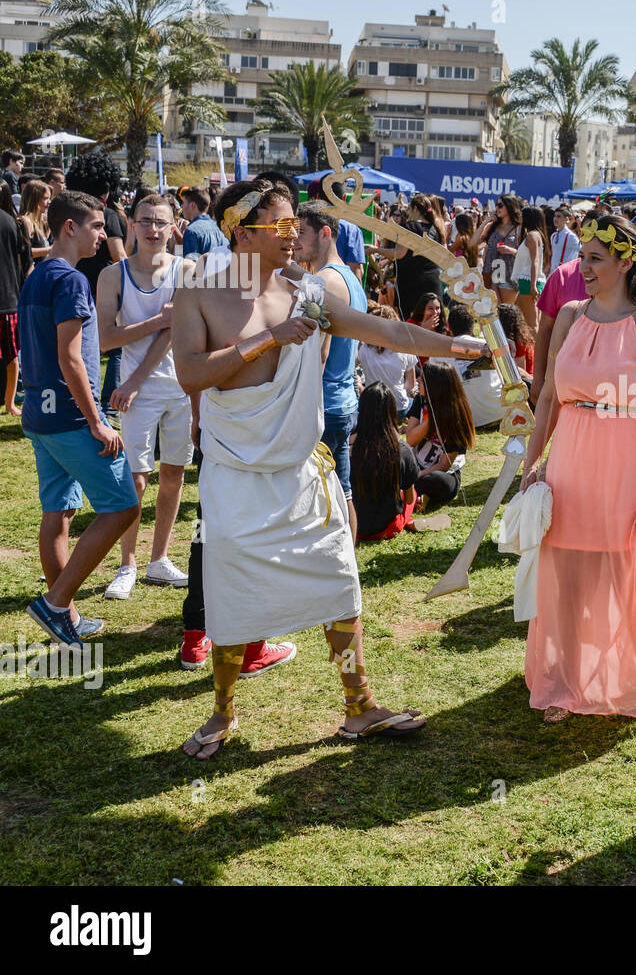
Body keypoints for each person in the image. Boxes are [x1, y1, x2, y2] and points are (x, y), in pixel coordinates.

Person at [171, 178, 488, 758]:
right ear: (241, 232)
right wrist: (269, 338)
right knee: (232, 593)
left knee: (339, 585)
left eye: (296, 224)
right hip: (235, 472)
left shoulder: (307, 292)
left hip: (299, 470)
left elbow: (387, 331)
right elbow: (191, 374)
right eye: (281, 226)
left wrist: (453, 348)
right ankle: (222, 711)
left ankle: (359, 705)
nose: (295, 235)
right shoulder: (198, 292)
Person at [519, 214, 636, 726]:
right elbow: (548, 396)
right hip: (570, 458)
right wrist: (533, 462)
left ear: (625, 261)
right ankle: (566, 681)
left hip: (625, 460)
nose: (582, 266)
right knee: (565, 574)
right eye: (582, 256)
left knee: (622, 577)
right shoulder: (568, 315)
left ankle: (632, 684)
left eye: (594, 258)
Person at [20, 190, 140, 646]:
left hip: (39, 415)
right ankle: (55, 606)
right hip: (71, 418)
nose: (104, 233)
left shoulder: (37, 275)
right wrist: (96, 420)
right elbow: (70, 358)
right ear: (69, 227)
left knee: (59, 512)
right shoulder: (68, 279)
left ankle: (63, 616)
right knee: (124, 505)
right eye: (96, 225)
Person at [95, 192, 194, 600]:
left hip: (182, 387)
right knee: (135, 479)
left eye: (161, 222)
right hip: (137, 393)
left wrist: (137, 373)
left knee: (174, 473)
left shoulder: (186, 270)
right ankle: (127, 563)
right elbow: (104, 339)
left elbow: (177, 332)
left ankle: (159, 559)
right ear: (132, 225)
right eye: (146, 221)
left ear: (174, 227)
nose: (153, 229)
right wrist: (158, 320)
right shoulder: (113, 276)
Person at [294, 200, 368, 540]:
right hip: (343, 400)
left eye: (303, 232)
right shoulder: (352, 278)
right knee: (343, 491)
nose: (295, 239)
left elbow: (317, 352)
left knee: (318, 499)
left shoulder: (319, 282)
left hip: (323, 403)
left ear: (326, 233)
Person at [65, 154, 128, 419]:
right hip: (102, 288)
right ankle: (107, 405)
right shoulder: (107, 215)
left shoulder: (69, 212)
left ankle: (78, 401)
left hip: (74, 281)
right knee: (114, 348)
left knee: (74, 347)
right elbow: (119, 256)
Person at [352, 383, 420, 540]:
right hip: (387, 527)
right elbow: (409, 498)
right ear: (391, 411)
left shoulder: (348, 447)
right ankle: (408, 520)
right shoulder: (401, 449)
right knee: (413, 493)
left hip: (353, 525)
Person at [406, 360, 475, 510]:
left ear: (434, 386)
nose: (417, 380)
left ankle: (410, 491)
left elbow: (444, 465)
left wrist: (415, 477)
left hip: (442, 473)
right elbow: (410, 439)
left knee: (438, 481)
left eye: (422, 379)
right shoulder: (420, 400)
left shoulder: (455, 416)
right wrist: (430, 418)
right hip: (416, 462)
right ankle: (417, 494)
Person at [358, 303, 418, 416]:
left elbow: (351, 370)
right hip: (399, 409)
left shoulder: (364, 349)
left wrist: (361, 386)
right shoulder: (405, 349)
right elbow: (410, 384)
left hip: (372, 407)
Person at [0, 189, 25, 415]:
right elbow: (22, 259)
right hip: (9, 297)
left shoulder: (10, 221)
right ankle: (9, 403)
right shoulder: (10, 221)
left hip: (8, 298)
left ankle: (9, 403)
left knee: (12, 356)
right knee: (12, 356)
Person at [477, 193, 522, 300]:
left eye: (500, 205)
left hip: (508, 276)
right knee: (490, 312)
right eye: (496, 205)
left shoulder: (518, 228)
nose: (497, 208)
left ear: (510, 206)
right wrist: (486, 222)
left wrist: (511, 250)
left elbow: (526, 255)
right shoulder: (493, 226)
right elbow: (478, 244)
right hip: (489, 274)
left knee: (505, 312)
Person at [513, 204, 549, 333]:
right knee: (517, 317)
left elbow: (535, 261)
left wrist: (532, 285)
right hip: (532, 280)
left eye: (522, 215)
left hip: (529, 281)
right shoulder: (536, 235)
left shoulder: (531, 236)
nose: (520, 218)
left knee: (532, 324)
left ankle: (536, 352)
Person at [180, 187, 228, 258]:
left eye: (183, 202)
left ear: (192, 205)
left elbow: (191, 265)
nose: (181, 206)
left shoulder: (191, 231)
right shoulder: (220, 227)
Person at [550, 206, 579, 271]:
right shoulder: (553, 236)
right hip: (553, 272)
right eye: (555, 216)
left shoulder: (571, 236)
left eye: (559, 216)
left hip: (566, 272)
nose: (555, 218)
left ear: (566, 219)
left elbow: (581, 251)